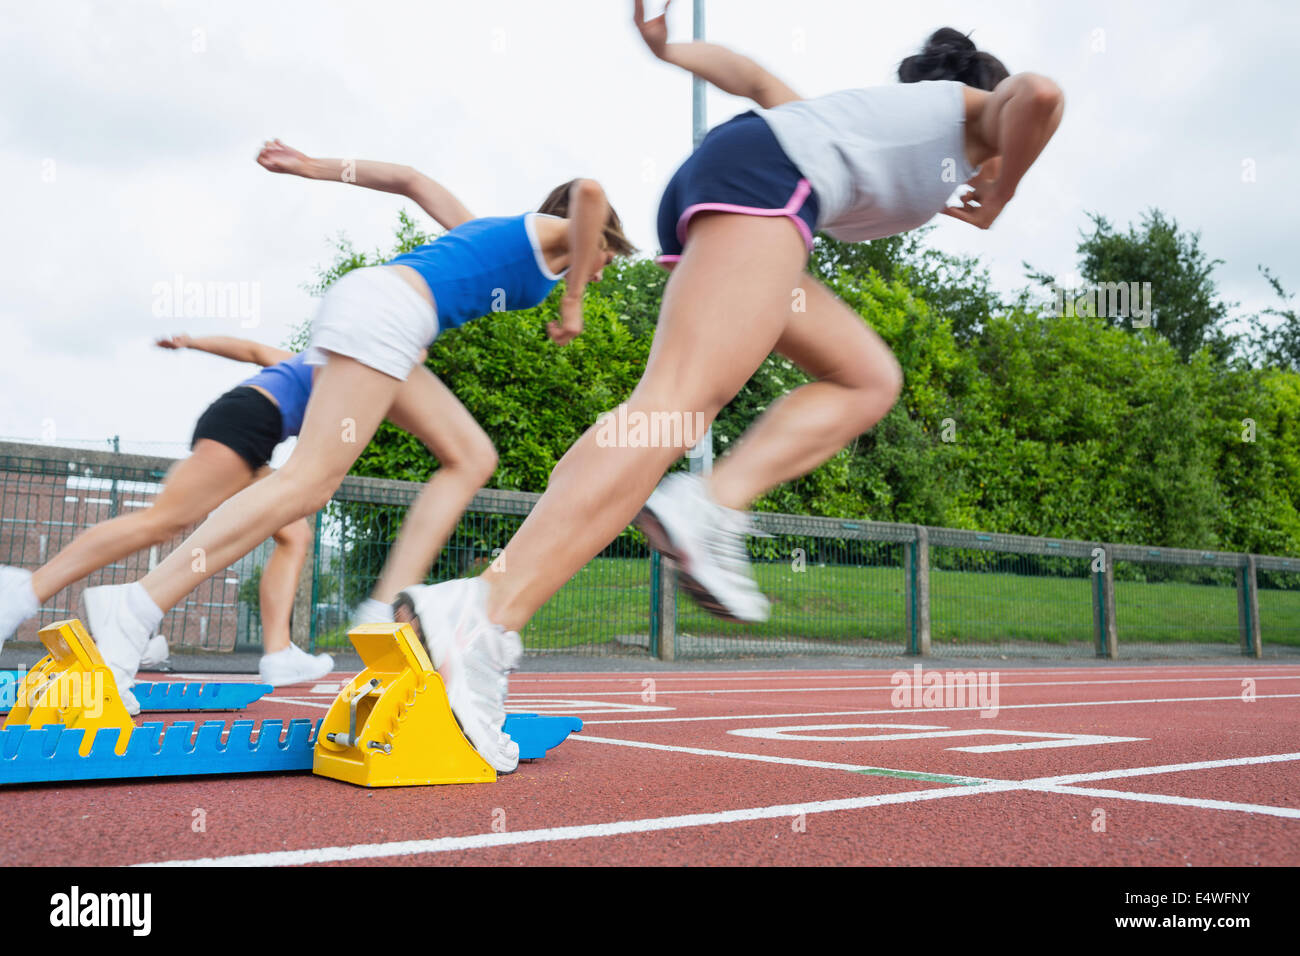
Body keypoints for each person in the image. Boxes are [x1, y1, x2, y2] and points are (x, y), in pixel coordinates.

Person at [393, 7, 1064, 746]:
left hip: (755, 188)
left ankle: (705, 506)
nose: (991, 173)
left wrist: (672, 49)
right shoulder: (972, 116)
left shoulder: (868, 124)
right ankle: (484, 616)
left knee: (865, 377)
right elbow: (1039, 96)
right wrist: (1003, 189)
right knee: (673, 408)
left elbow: (755, 80)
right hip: (767, 188)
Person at [73, 142, 632, 773]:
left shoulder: (492, 234)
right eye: (607, 257)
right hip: (387, 315)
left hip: (390, 317)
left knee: (470, 456)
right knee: (307, 485)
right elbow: (588, 191)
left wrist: (310, 164)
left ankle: (385, 604)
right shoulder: (558, 232)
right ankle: (138, 606)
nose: (602, 269)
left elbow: (412, 179)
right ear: (601, 242)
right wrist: (574, 298)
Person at [0, 335, 333, 686]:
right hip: (248, 421)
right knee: (162, 522)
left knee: (293, 532)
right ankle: (22, 592)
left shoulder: (318, 364)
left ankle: (279, 654)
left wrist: (190, 342)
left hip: (249, 424)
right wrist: (191, 342)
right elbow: (256, 355)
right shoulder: (343, 365)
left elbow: (254, 351)